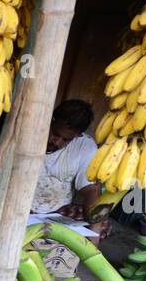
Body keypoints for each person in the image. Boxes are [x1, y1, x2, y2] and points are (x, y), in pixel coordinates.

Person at [31, 99, 107, 242]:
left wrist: (93, 238)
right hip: (19, 205)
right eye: (55, 134)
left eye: (65, 139)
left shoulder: (85, 146)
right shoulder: (29, 131)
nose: (57, 142)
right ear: (51, 120)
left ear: (77, 135)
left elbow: (91, 190)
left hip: (58, 211)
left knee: (101, 225)